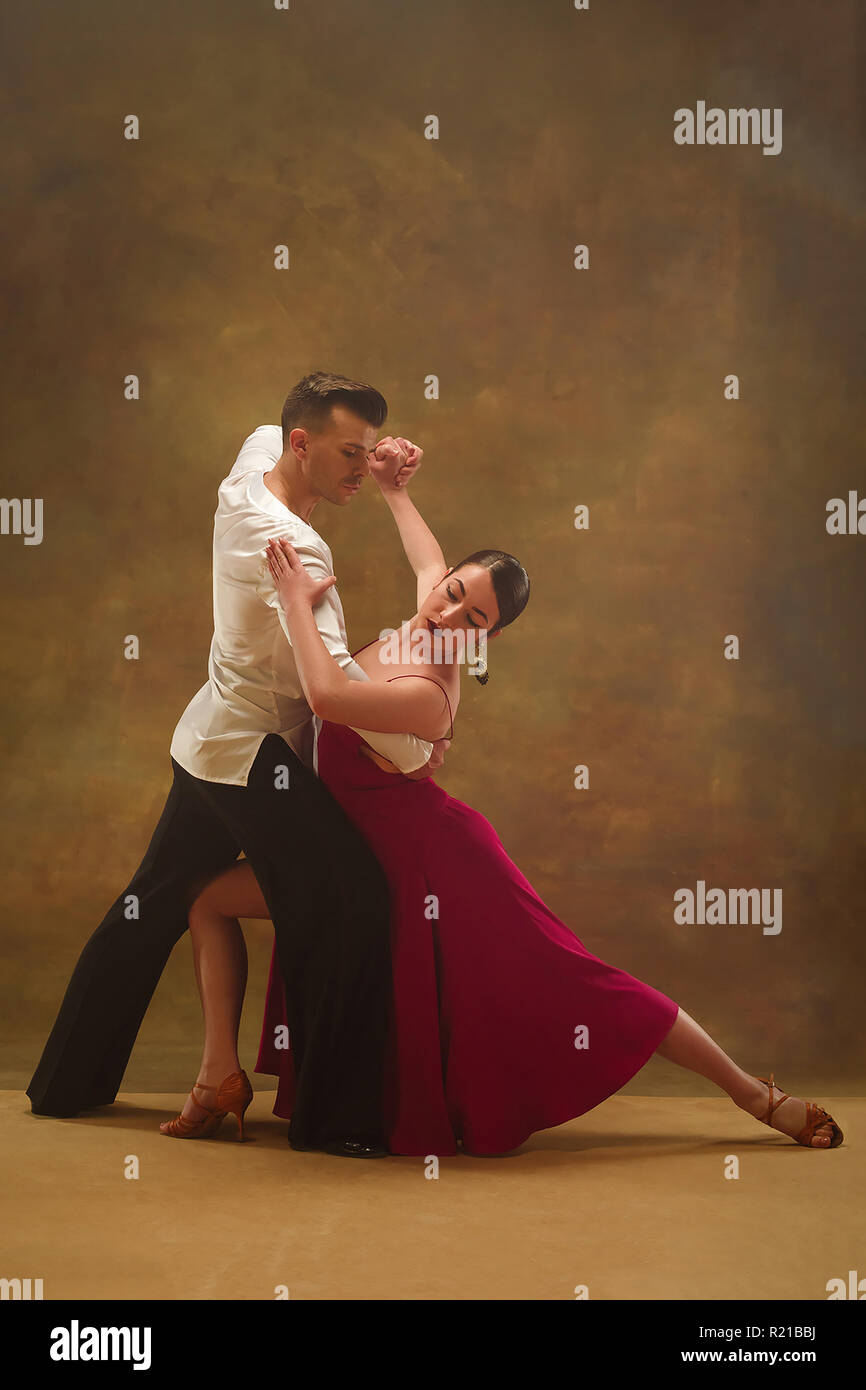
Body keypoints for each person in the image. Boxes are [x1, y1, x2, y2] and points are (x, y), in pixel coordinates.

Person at [173, 453, 844, 1155]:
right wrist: (394, 489)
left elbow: (328, 698)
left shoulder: (431, 695)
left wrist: (292, 603)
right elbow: (427, 557)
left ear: (486, 639)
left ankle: (755, 1096)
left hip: (441, 870)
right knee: (210, 900)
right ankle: (219, 1074)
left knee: (577, 983)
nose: (451, 609)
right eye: (455, 590)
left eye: (475, 616)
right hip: (351, 861)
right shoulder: (432, 608)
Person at [28, 372, 446, 1158]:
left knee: (151, 902)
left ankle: (66, 1085)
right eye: (348, 454)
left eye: (367, 452)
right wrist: (418, 741)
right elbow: (334, 693)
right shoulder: (294, 547)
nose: (359, 468)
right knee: (351, 897)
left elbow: (275, 428)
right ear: (302, 444)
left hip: (206, 736)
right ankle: (336, 1126)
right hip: (254, 755)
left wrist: (374, 461)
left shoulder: (252, 463)